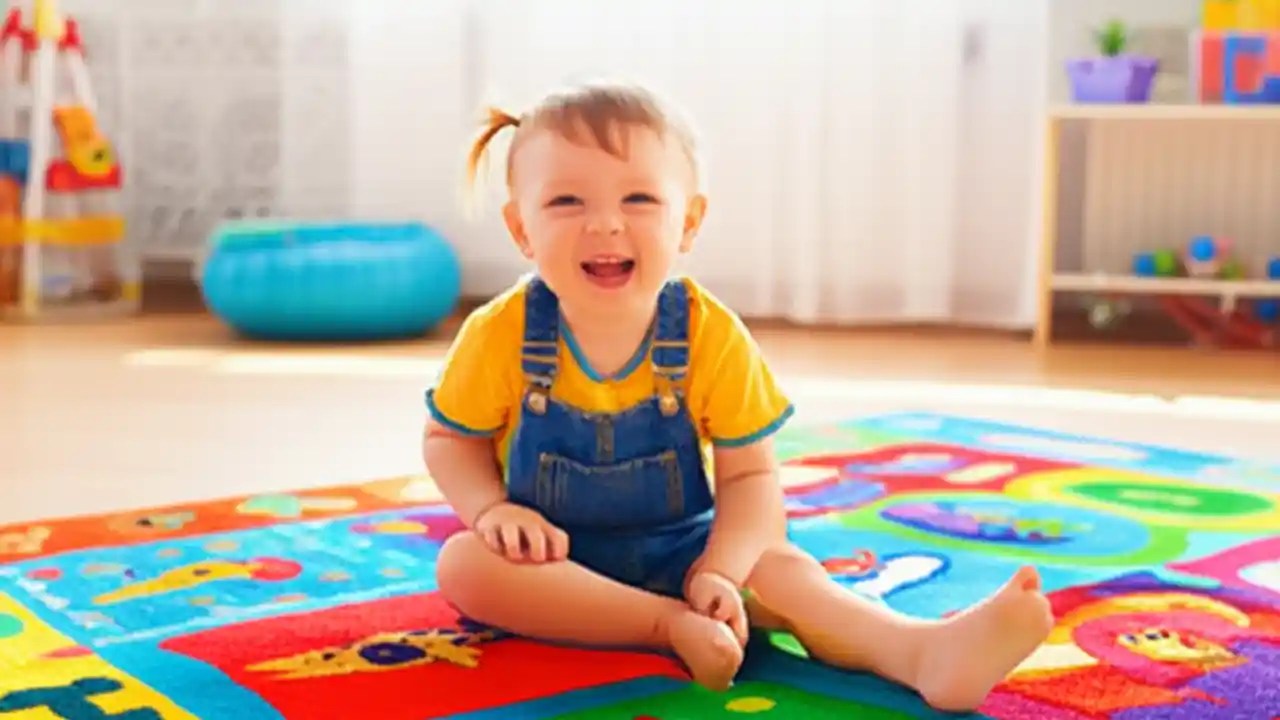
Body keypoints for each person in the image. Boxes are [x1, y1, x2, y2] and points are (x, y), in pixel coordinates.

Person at [423, 80, 1053, 712]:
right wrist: (488, 511)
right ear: (520, 228)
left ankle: (921, 651)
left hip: (687, 554)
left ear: (689, 221)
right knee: (463, 565)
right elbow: (450, 440)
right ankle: (664, 627)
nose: (606, 223)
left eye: (639, 198)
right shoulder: (499, 334)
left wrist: (721, 568)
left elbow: (751, 475)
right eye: (566, 201)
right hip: (554, 566)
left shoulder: (708, 334)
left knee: (782, 570)